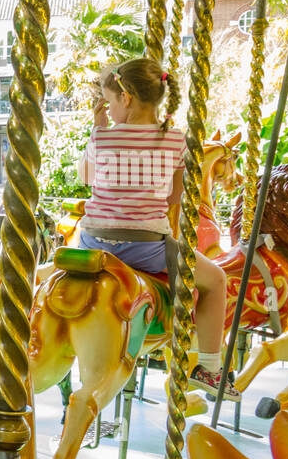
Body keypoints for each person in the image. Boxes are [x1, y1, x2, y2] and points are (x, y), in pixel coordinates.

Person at [77, 57, 238, 398]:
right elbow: (174, 197)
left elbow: (86, 179)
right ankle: (209, 367)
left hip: (91, 241)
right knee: (217, 280)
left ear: (127, 98)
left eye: (110, 101)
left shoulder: (102, 137)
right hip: (145, 246)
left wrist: (99, 129)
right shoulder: (176, 140)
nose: (108, 109)